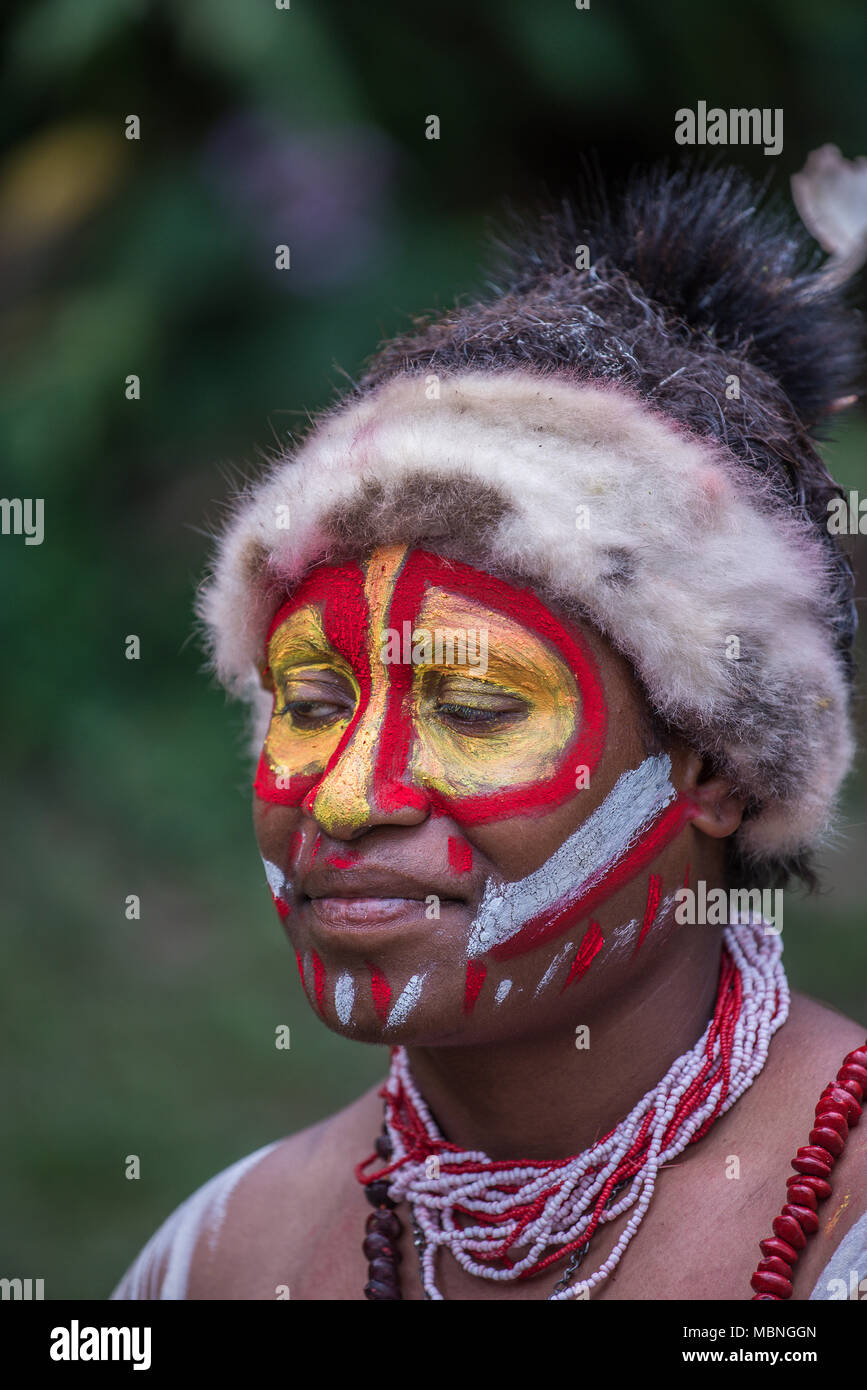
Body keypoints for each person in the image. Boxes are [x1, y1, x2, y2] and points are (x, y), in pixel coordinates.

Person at [112, 157, 867, 1302]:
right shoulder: (217, 1259)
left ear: (717, 764)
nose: (347, 794)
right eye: (312, 705)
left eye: (471, 709)